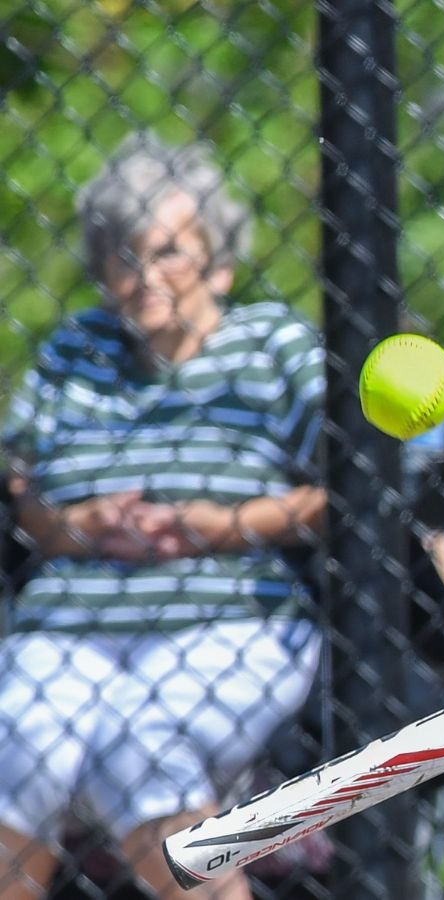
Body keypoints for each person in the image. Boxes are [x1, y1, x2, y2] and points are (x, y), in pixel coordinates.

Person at [0, 135, 326, 900]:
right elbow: (24, 499)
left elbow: (345, 488)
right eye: (123, 256)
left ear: (219, 263)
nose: (144, 277)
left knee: (144, 743)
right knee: (18, 739)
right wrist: (81, 523)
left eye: (169, 253)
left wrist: (227, 523)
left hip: (225, 612)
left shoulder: (272, 344)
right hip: (71, 621)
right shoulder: (73, 348)